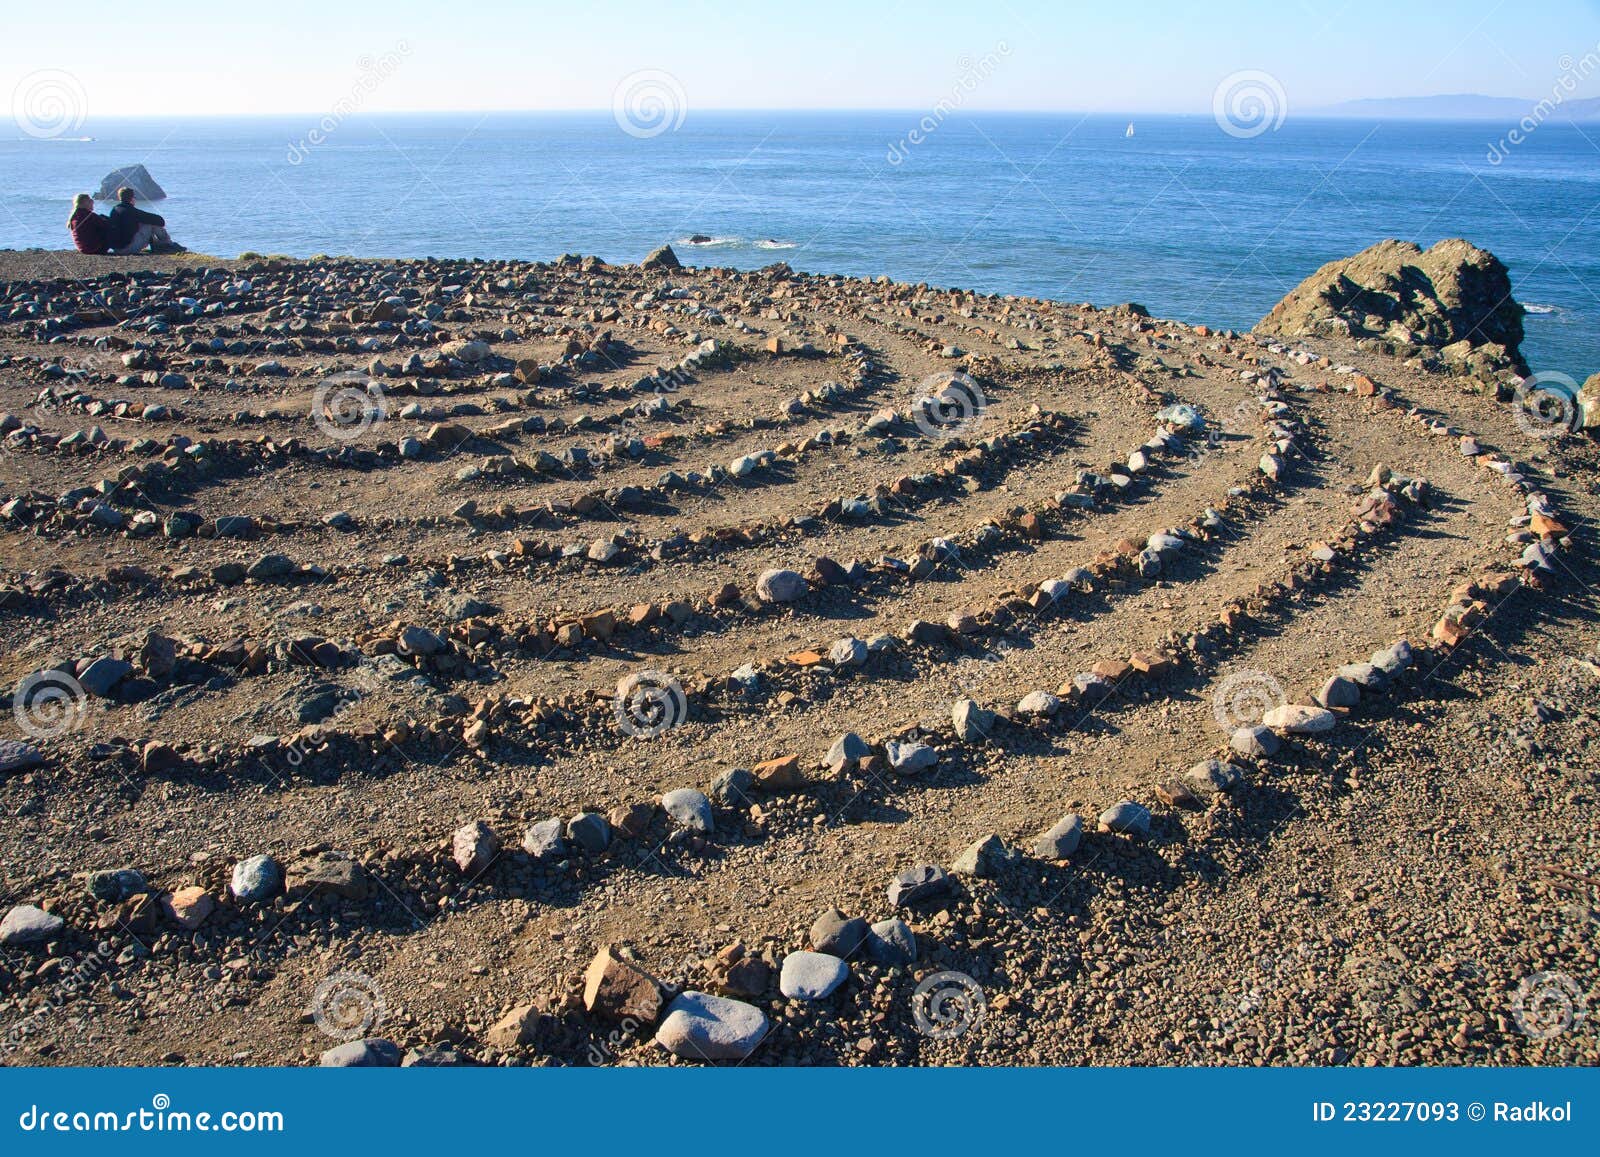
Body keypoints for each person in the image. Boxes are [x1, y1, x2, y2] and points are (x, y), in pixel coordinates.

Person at [106, 186, 185, 255]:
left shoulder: (114, 210)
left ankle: (161, 245)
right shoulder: (131, 211)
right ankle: (168, 244)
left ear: (119, 197)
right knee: (150, 224)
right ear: (132, 198)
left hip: (116, 249)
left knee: (144, 222)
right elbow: (160, 221)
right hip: (127, 249)